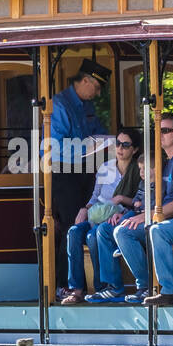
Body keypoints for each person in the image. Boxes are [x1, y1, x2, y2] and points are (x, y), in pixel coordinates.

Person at [100, 112, 173, 305]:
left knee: (130, 231)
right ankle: (143, 286)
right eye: (158, 130)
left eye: (165, 130)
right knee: (118, 230)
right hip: (166, 219)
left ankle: (165, 288)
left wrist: (146, 216)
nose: (160, 134)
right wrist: (136, 213)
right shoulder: (169, 161)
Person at [49, 58, 111, 291]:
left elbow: (99, 132)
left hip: (86, 172)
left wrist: (110, 141)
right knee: (70, 225)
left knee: (89, 222)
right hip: (64, 172)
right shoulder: (59, 105)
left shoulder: (86, 106)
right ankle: (64, 284)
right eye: (97, 87)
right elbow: (54, 148)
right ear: (85, 81)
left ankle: (91, 283)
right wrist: (91, 147)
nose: (97, 93)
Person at [60, 128, 138, 305]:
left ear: (135, 149)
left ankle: (101, 288)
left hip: (118, 217)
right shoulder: (105, 167)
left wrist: (121, 200)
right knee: (73, 232)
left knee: (92, 236)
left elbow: (140, 201)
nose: (120, 148)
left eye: (126, 145)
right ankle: (77, 290)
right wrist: (84, 209)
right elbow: (95, 197)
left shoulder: (137, 170)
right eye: (118, 143)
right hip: (96, 215)